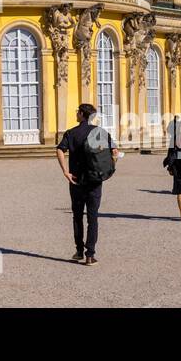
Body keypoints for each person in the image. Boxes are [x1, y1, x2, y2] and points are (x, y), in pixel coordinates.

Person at [56, 104, 117, 265]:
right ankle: (90, 254)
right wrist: (109, 167)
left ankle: (78, 251)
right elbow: (115, 152)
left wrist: (65, 171)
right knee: (93, 217)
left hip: (76, 180)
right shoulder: (100, 132)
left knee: (77, 216)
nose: (76, 114)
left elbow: (60, 150)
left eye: (77, 112)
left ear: (82, 114)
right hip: (95, 180)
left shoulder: (71, 133)